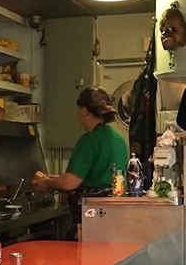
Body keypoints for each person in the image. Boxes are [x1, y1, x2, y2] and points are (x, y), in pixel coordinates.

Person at [32, 87, 128, 236]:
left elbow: (70, 182)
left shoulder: (89, 140)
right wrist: (49, 177)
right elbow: (85, 176)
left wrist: (46, 183)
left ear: (84, 111)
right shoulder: (118, 139)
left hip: (92, 217)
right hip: (115, 215)